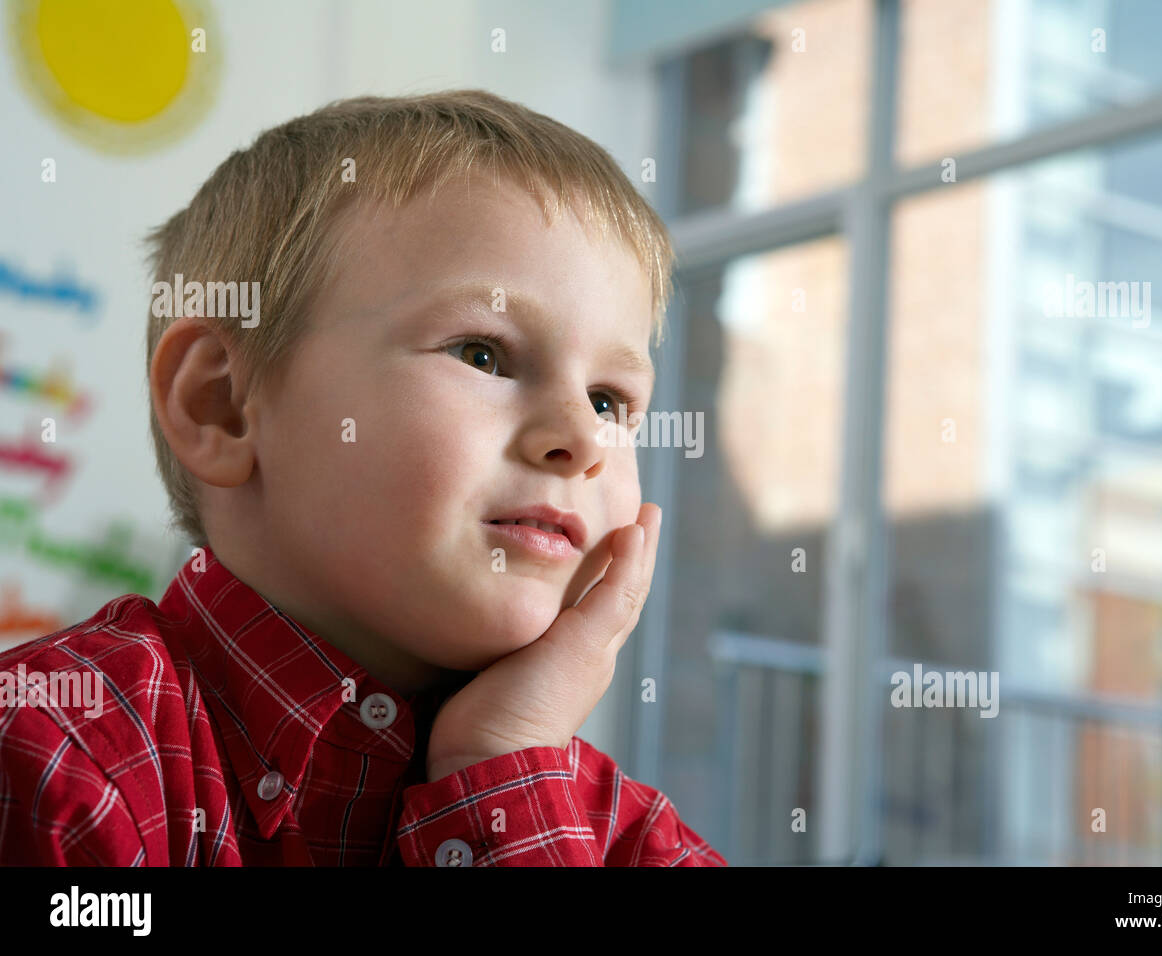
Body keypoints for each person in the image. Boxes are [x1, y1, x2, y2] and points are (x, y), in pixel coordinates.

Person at [0, 90, 725, 867]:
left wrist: (501, 762)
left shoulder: (632, 839)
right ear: (222, 406)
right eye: (483, 354)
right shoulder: (52, 758)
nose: (583, 438)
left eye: (610, 399)